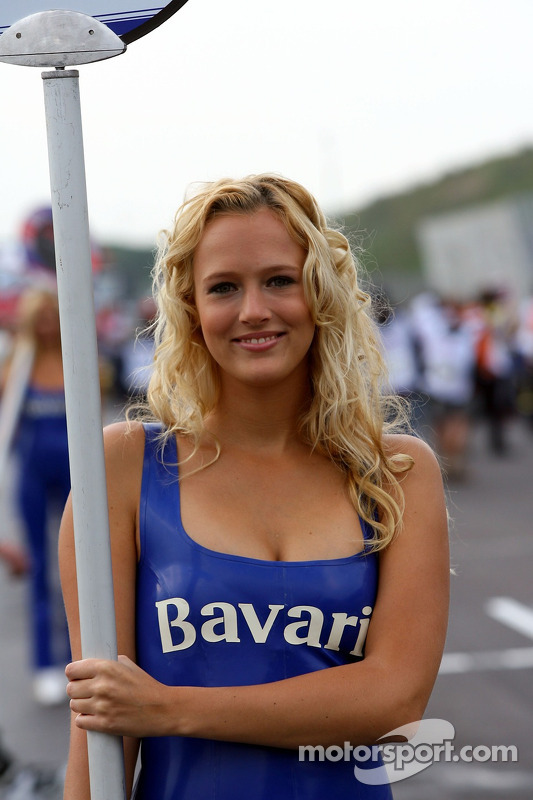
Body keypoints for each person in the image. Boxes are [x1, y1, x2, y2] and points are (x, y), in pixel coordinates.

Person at [59, 174, 449, 800]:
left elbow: (395, 701)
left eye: (279, 280)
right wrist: (138, 712)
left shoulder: (397, 473)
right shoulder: (124, 466)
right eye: (223, 287)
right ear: (192, 311)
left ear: (320, 293)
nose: (253, 310)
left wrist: (168, 709)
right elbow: (102, 725)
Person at [1, 287, 71, 705]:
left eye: (52, 315)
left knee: (78, 568)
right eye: (39, 316)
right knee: (40, 568)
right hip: (31, 476)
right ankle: (44, 664)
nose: (46, 324)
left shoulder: (78, 361)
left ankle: (78, 659)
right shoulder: (17, 366)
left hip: (74, 480)